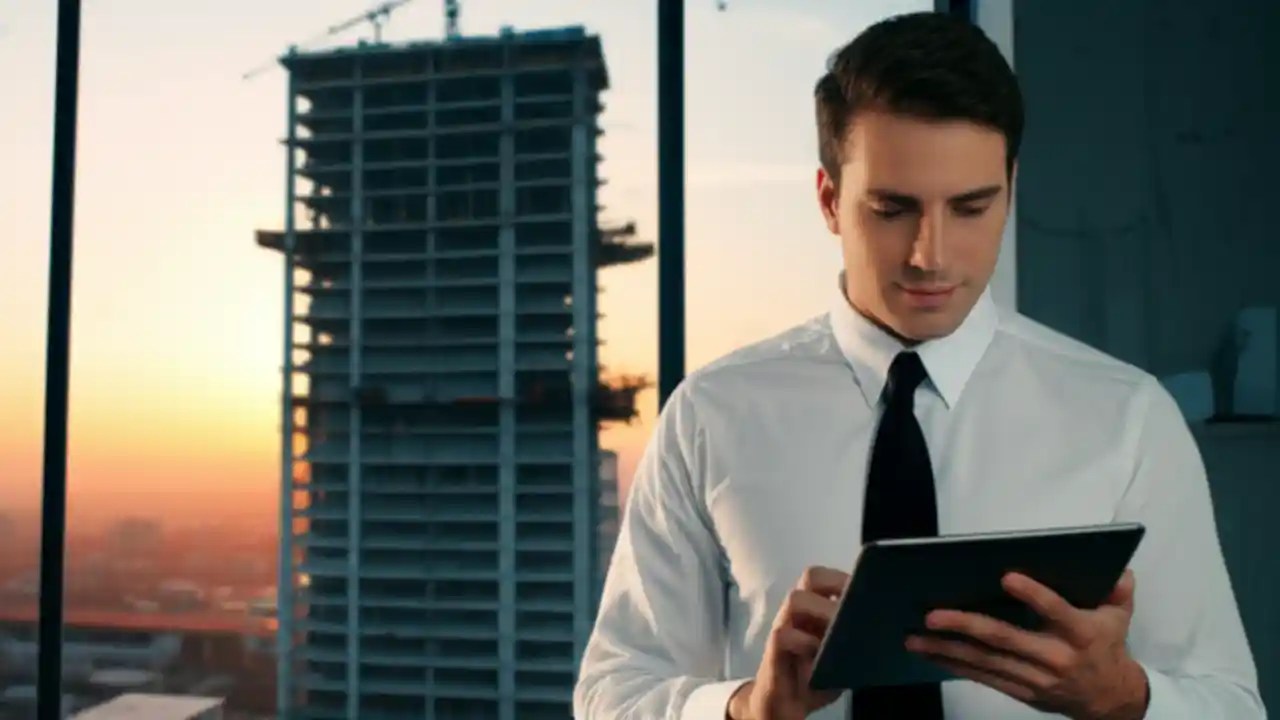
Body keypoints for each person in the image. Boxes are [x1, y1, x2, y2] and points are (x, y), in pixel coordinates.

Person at [573, 10, 1265, 720]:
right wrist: (750, 709)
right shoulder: (711, 416)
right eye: (891, 209)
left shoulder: (1128, 419)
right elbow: (613, 693)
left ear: (1011, 188)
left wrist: (1122, 698)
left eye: (971, 208)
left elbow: (1233, 705)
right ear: (829, 200)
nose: (930, 255)